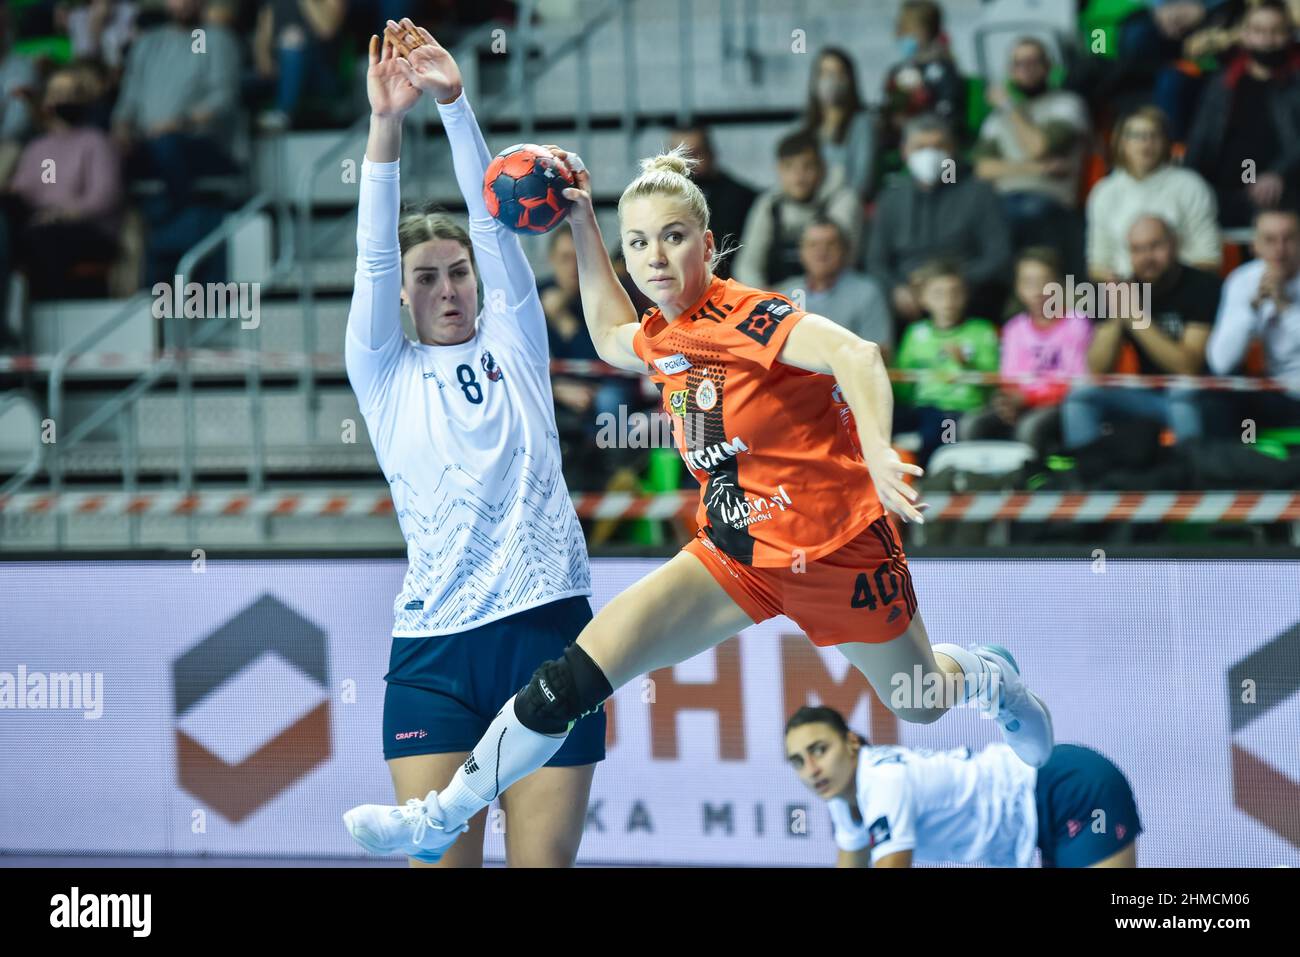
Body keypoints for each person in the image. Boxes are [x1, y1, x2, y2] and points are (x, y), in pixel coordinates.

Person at [345, 113, 1054, 863]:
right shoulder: (662, 334)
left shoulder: (754, 315)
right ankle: (441, 815)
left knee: (923, 701)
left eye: (673, 237)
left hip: (837, 547)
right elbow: (611, 331)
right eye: (640, 242)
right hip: (736, 553)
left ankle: (987, 675)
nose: (655, 256)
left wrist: (878, 449)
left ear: (708, 245)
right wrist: (585, 223)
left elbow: (860, 354)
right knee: (573, 676)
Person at [340, 20, 603, 868]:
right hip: (436, 650)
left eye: (457, 271)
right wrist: (386, 124)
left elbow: (497, 225)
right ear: (404, 297)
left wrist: (456, 106)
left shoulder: (515, 338)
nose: (448, 286)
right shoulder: (381, 369)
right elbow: (373, 252)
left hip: (548, 630)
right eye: (427, 277)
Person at [784, 705, 1141, 868]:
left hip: (1070, 791)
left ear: (851, 743)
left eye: (819, 750)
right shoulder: (842, 794)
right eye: (799, 761)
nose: (812, 769)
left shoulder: (881, 783)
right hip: (1033, 821)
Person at [1065, 216, 1217, 449]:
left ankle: (1192, 475)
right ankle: (1089, 477)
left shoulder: (1202, 286)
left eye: (1155, 246)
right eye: (1137, 250)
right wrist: (1118, 316)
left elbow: (1187, 367)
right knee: (1081, 396)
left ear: (1174, 244)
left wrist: (1135, 317)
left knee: (1182, 393)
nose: (1147, 257)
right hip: (1147, 396)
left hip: (1202, 396)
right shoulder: (1126, 289)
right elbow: (1097, 369)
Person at [868, 114, 1012, 323]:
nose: (929, 154)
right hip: (906, 297)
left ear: (952, 151)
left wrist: (951, 285)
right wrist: (896, 288)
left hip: (965, 294)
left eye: (938, 146)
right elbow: (876, 261)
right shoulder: (891, 198)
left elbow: (999, 256)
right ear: (904, 152)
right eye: (920, 147)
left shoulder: (979, 193)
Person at [3, 67, 124, 298]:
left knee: (43, 240)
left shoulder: (97, 142)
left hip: (89, 230)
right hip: (40, 226)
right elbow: (23, 191)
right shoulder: (37, 148)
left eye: (72, 93)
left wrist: (62, 214)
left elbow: (105, 196)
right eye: (58, 93)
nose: (65, 99)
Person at [973, 37, 1090, 267]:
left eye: (1033, 62)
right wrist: (1033, 168)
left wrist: (1009, 107)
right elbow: (981, 168)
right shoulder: (995, 119)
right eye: (1018, 63)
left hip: (1050, 199)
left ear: (1048, 67)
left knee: (1022, 213)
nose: (1025, 69)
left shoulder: (1067, 105)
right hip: (1003, 198)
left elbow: (1038, 148)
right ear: (1010, 71)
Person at [1184, 0, 1300, 228]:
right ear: (1245, 35)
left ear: (1289, 34)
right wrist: (1186, 181)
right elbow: (1201, 137)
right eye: (1259, 31)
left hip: (1282, 190)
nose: (1267, 40)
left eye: (1276, 31)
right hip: (1222, 189)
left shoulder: (1295, 83)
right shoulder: (1225, 82)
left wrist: (1279, 174)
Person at [964, 247, 1092, 455]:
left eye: (1045, 282)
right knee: (971, 425)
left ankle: (1032, 481)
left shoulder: (1076, 323)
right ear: (1018, 288)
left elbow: (1076, 382)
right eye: (1028, 283)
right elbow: (1009, 379)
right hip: (1019, 404)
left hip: (1059, 406)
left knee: (1029, 429)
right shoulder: (1014, 328)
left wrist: (1028, 399)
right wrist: (1007, 402)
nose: (1038, 291)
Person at [1086, 106, 1221, 282]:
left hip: (1181, 289)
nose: (1146, 143)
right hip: (1126, 291)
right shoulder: (1104, 192)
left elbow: (1209, 257)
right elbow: (1098, 263)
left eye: (1154, 135)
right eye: (1136, 136)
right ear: (1121, 142)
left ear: (1166, 142)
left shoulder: (1191, 186)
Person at [892, 260, 999, 465]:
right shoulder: (915, 334)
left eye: (955, 293)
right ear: (923, 299)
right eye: (938, 294)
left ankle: (937, 477)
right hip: (922, 408)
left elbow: (993, 382)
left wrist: (969, 365)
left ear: (965, 295)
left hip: (959, 410)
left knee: (941, 431)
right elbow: (902, 386)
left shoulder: (982, 331)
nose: (948, 301)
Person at [1204, 208, 1300, 434]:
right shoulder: (1243, 280)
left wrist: (1285, 307)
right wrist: (1252, 307)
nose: (1279, 249)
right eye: (1269, 240)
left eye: (1289, 239)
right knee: (1213, 398)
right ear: (1254, 245)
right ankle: (1224, 468)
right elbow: (1221, 363)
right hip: (1276, 392)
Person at [732, 128, 861, 289]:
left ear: (822, 167)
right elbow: (747, 265)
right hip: (779, 302)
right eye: (789, 167)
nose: (798, 176)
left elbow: (840, 263)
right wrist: (763, 299)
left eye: (807, 166)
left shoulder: (842, 199)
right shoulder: (770, 204)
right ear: (778, 170)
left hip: (832, 294)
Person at [779, 217, 893, 360]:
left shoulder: (867, 292)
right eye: (813, 245)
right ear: (801, 252)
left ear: (845, 251)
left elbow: (881, 353)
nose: (821, 252)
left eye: (830, 244)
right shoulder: (785, 294)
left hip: (848, 379)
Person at [667, 123, 756, 280]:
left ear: (711, 153)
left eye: (694, 153)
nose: (687, 162)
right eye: (679, 155)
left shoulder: (743, 198)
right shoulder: (660, 197)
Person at [880, 0, 964, 151]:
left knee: (945, 170)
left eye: (908, 30)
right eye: (901, 28)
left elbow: (948, 114)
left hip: (935, 142)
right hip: (901, 143)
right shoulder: (898, 70)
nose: (900, 35)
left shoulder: (943, 70)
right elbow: (889, 108)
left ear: (927, 31)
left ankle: (948, 175)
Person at [800, 47, 877, 199]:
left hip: (844, 204)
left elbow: (861, 183)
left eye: (838, 73)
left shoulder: (862, 124)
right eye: (825, 73)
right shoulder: (802, 126)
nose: (831, 80)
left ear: (849, 80)